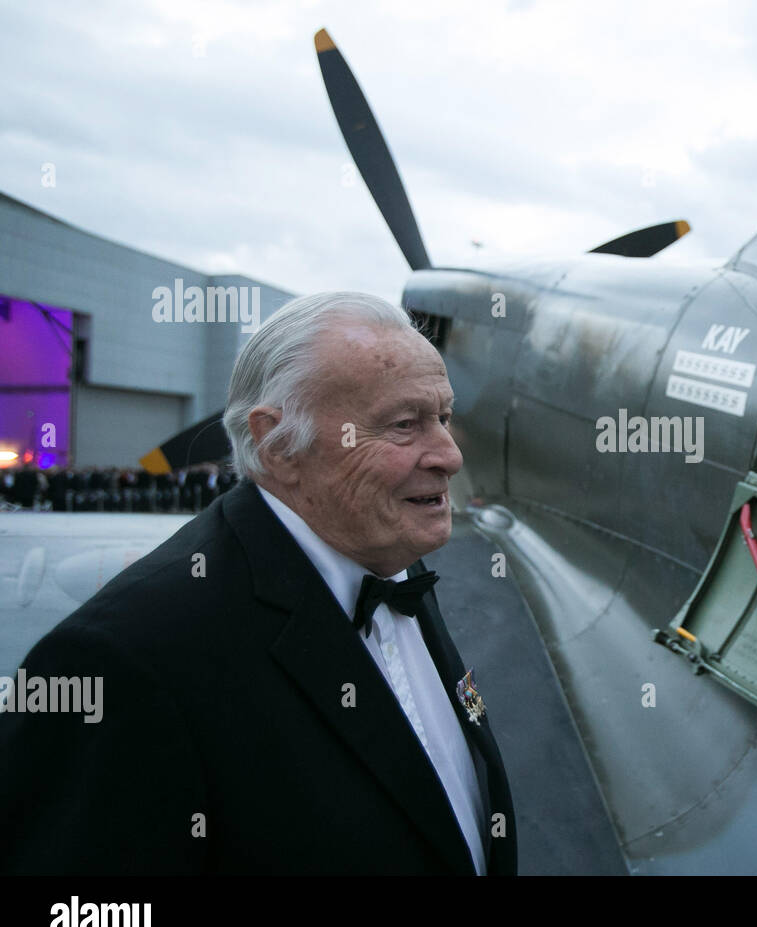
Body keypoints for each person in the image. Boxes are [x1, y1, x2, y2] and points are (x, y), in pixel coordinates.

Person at [0, 292, 515, 874]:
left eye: (443, 418)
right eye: (403, 425)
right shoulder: (123, 658)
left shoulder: (394, 557)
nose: (448, 455)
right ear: (277, 444)